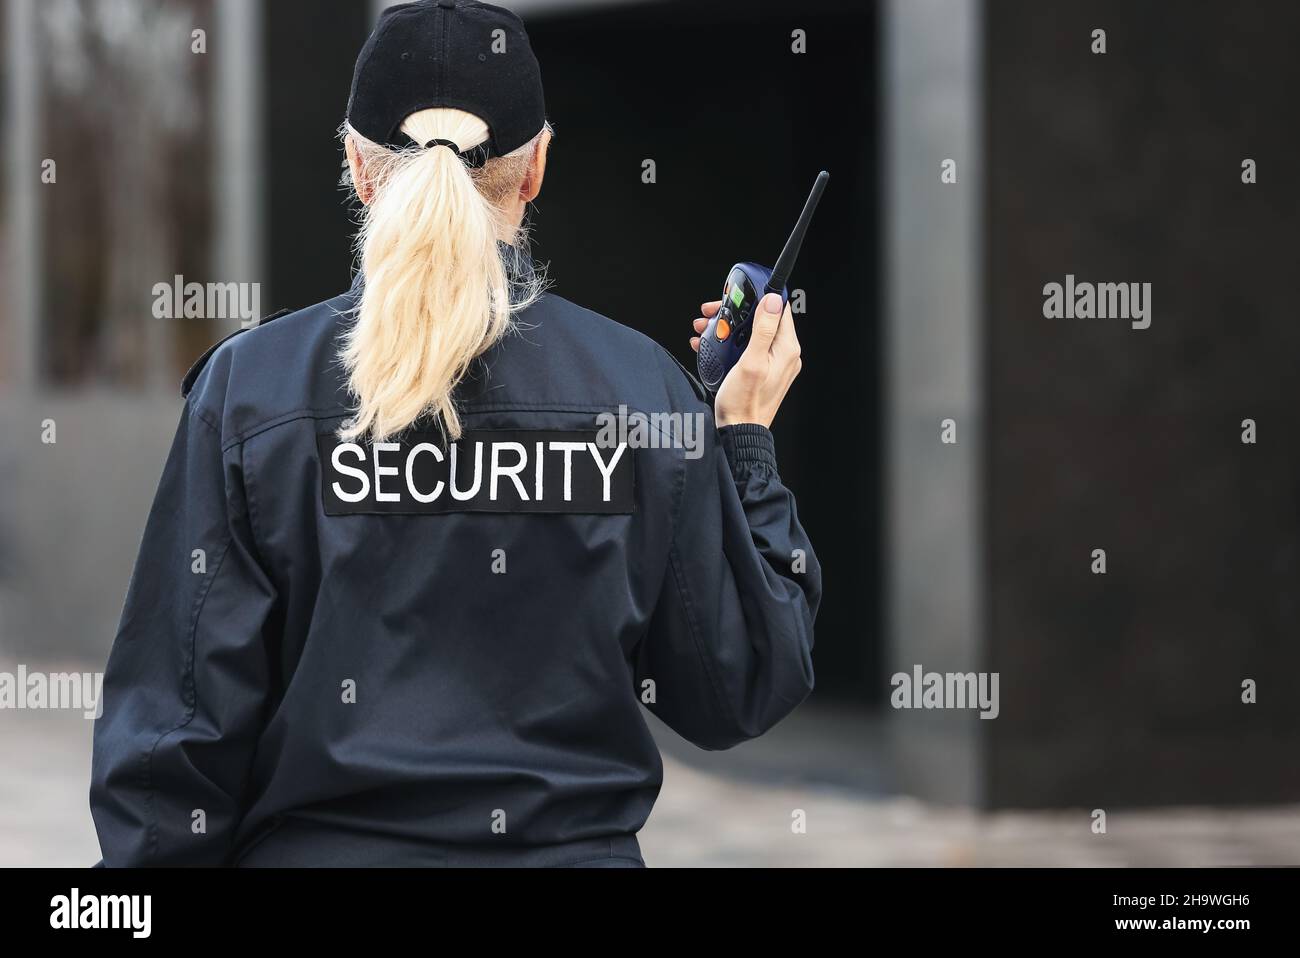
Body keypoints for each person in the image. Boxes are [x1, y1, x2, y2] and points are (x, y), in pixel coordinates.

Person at [90, 0, 819, 868]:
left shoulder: (249, 394)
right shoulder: (643, 392)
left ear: (358, 167)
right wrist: (743, 437)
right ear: (537, 166)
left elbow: (173, 747)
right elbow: (741, 684)